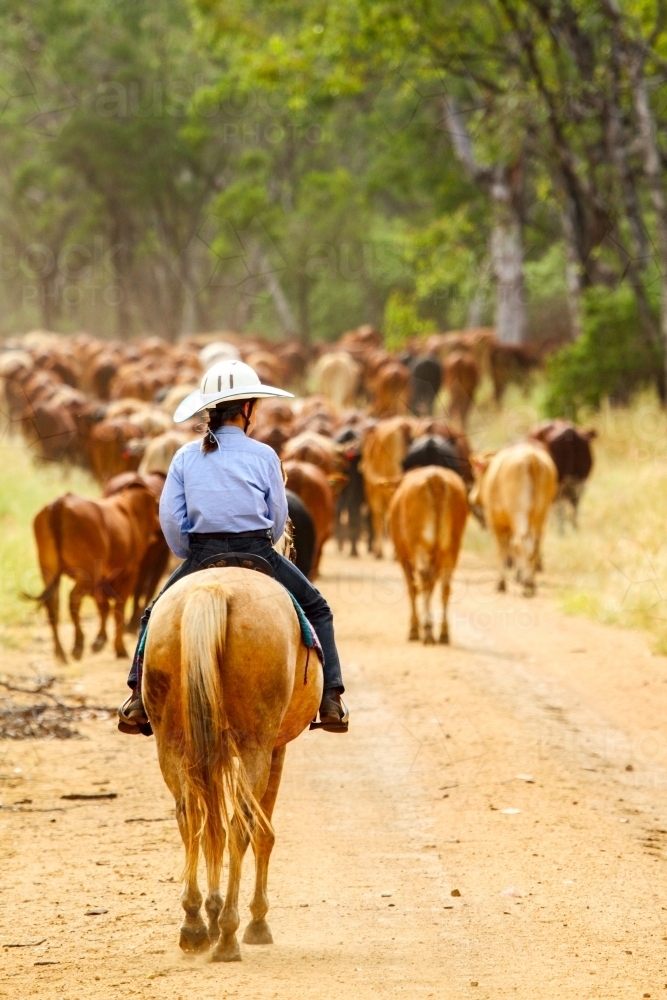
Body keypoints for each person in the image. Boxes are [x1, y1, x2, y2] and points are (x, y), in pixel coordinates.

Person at [118, 359, 348, 735]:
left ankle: (137, 699)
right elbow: (277, 519)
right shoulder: (265, 456)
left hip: (202, 555)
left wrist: (189, 554)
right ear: (246, 408)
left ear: (210, 409)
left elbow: (172, 523)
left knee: (152, 614)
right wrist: (259, 543)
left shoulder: (184, 457)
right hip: (258, 553)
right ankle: (332, 700)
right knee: (318, 608)